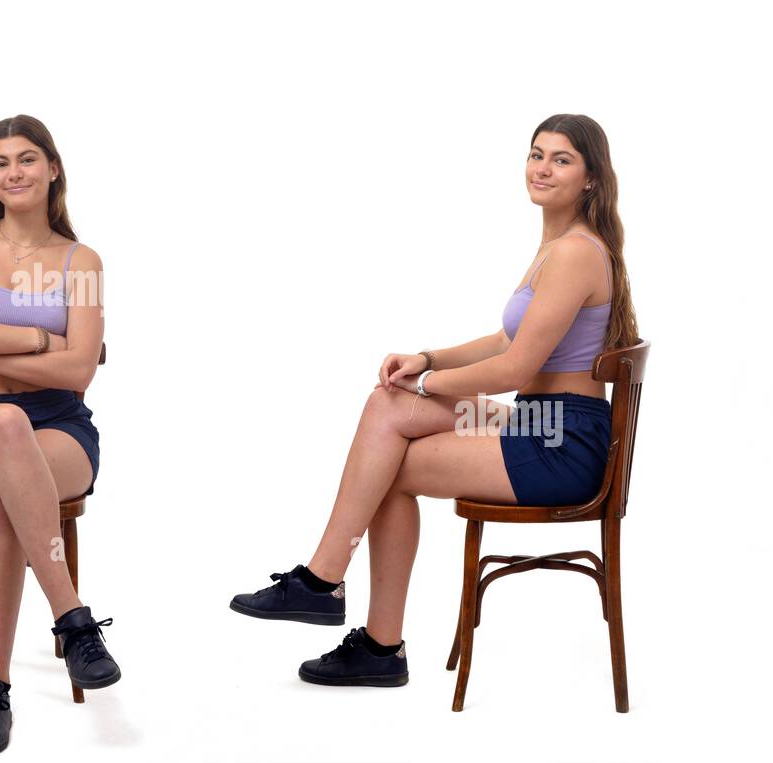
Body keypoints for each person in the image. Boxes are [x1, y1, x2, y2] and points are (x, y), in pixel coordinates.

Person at [230, 113, 639, 687]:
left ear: (591, 178)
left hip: (559, 441)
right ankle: (348, 613)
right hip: (538, 423)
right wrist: (428, 358)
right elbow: (506, 340)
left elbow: (516, 366)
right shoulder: (557, 245)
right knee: (387, 411)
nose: (542, 168)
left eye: (562, 159)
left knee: (389, 450)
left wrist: (424, 386)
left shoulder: (575, 253)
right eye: (536, 154)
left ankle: (341, 601)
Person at [0, 115, 120, 757]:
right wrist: (38, 339)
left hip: (60, 425)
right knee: (4, 427)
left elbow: (80, 368)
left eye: (27, 159)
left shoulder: (80, 260)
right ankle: (74, 620)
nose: (14, 172)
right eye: (1, 162)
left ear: (53, 169)